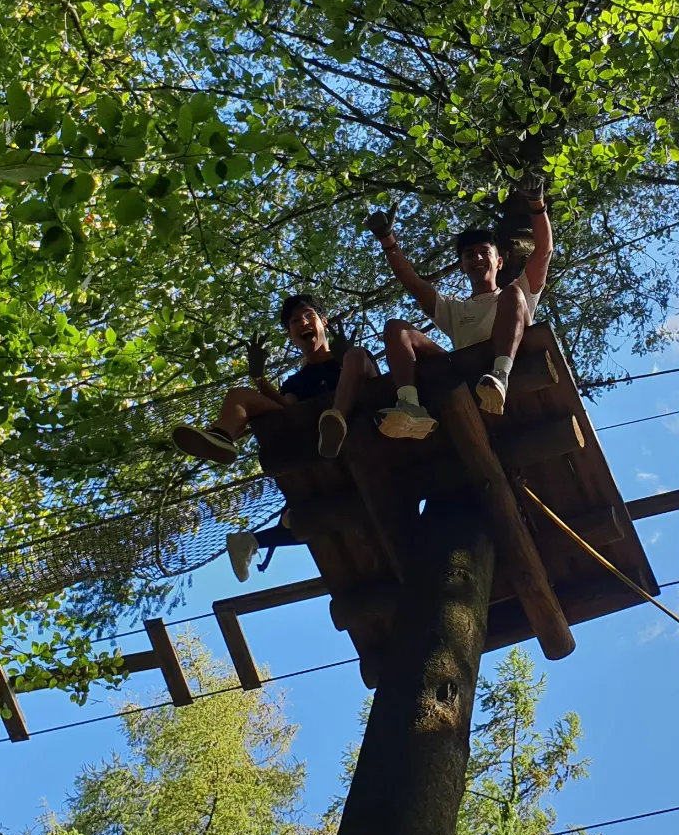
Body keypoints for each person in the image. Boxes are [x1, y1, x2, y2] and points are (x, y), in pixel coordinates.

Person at [170, 293, 378, 580]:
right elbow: (288, 412)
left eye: (308, 316)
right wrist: (259, 379)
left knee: (358, 357)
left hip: (362, 432)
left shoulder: (351, 358)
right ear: (290, 335)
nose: (303, 322)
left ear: (323, 323)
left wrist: (345, 358)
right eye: (295, 321)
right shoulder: (294, 382)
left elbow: (375, 386)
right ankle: (221, 437)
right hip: (314, 441)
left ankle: (337, 419)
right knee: (239, 395)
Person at [366, 173, 551, 439]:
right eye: (468, 255)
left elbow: (543, 251)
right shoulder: (455, 310)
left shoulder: (518, 293)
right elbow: (414, 284)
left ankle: (501, 375)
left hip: (506, 370)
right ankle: (409, 405)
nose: (476, 258)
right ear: (462, 266)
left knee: (512, 294)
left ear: (499, 262)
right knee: (397, 328)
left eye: (484, 252)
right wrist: (388, 241)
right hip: (464, 373)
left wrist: (537, 203)